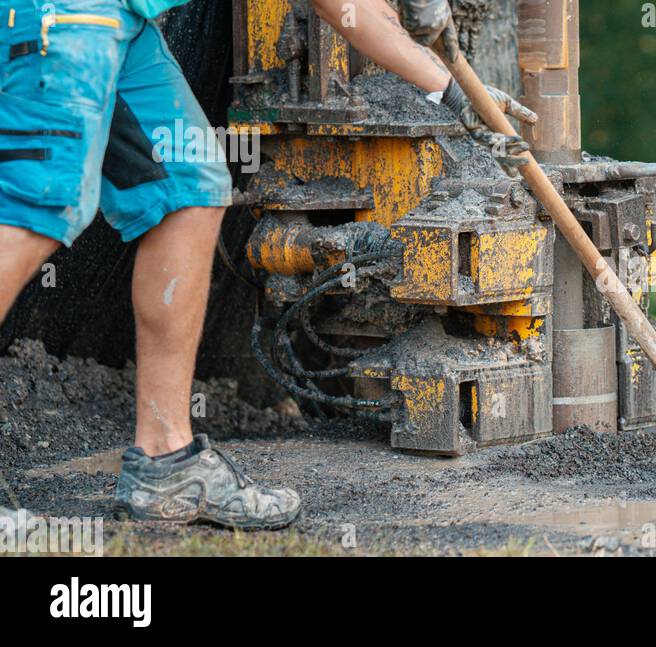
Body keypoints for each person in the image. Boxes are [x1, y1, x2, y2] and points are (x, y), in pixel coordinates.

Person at [0, 0, 533, 530]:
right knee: (41, 204)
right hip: (64, 13)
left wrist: (451, 92)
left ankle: (166, 463)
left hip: (121, 19)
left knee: (186, 191)